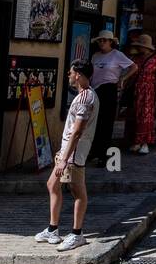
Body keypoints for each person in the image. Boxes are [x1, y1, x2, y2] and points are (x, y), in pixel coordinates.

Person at [35, 59, 99, 252]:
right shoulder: (85, 95)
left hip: (74, 153)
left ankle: (77, 233)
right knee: (52, 184)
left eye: (71, 72)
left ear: (78, 74)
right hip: (68, 151)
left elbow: (77, 132)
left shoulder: (85, 99)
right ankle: (53, 229)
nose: (69, 75)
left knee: (78, 192)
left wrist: (64, 157)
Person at [87, 30, 137, 166]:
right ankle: (95, 151)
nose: (102, 43)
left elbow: (133, 67)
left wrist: (122, 79)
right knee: (95, 122)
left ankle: (104, 155)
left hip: (109, 89)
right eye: (100, 40)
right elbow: (91, 74)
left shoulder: (117, 55)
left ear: (111, 42)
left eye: (104, 40)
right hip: (96, 90)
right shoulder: (95, 56)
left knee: (106, 123)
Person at [125, 35, 156, 154]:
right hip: (137, 90)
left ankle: (145, 142)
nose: (140, 48)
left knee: (147, 116)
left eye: (141, 46)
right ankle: (137, 141)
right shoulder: (136, 58)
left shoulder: (155, 59)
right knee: (136, 115)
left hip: (149, 91)